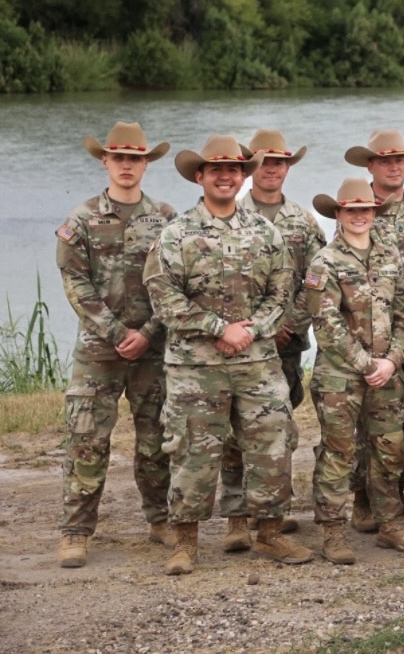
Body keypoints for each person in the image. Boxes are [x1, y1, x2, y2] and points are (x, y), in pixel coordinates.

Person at [144, 135, 309, 575]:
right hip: (197, 367)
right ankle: (186, 543)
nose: (225, 176)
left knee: (272, 445)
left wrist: (252, 329)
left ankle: (270, 535)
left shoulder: (265, 232)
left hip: (256, 362)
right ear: (199, 177)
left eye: (233, 170)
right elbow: (164, 299)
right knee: (192, 453)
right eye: (215, 170)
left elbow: (283, 292)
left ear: (243, 176)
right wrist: (219, 328)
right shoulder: (176, 234)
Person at [55, 123, 176, 568]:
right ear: (104, 162)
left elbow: (174, 285)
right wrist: (115, 331)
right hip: (98, 353)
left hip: (153, 350)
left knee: (157, 441)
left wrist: (146, 332)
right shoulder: (82, 218)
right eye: (118, 157)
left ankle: (160, 520)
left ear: (146, 164)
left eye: (136, 158)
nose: (127, 165)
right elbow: (74, 281)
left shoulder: (165, 218)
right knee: (86, 440)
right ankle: (76, 531)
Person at [304, 179, 404, 562]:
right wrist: (366, 364)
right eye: (351, 210)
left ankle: (389, 524)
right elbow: (326, 325)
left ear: (374, 214)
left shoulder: (391, 257)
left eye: (366, 210)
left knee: (389, 450)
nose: (359, 216)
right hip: (340, 376)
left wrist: (393, 360)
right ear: (338, 215)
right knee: (338, 454)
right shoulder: (325, 262)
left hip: (387, 373)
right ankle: (333, 532)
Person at [219, 129, 325, 553]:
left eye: (280, 162)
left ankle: (271, 514)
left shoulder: (303, 221)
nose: (273, 169)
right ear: (250, 169)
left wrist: (289, 322)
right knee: (233, 431)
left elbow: (317, 278)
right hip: (240, 343)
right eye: (264, 162)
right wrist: (253, 327)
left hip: (286, 342)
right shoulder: (230, 212)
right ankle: (235, 516)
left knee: (277, 428)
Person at [345, 130, 404, 524]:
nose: (395, 166)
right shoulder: (355, 207)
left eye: (400, 159)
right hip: (371, 336)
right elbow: (345, 271)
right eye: (385, 160)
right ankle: (363, 499)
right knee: (370, 421)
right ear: (370, 166)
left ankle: (396, 491)